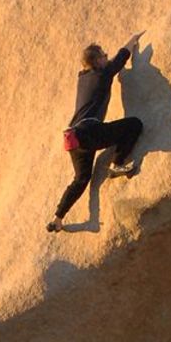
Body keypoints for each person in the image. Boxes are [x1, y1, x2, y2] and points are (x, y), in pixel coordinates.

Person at [47, 33, 144, 232]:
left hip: (73, 137)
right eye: (103, 55)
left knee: (81, 179)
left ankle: (57, 218)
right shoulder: (102, 73)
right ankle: (117, 164)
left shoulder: (83, 78)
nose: (106, 57)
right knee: (134, 124)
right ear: (97, 61)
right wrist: (134, 38)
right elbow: (121, 57)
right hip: (90, 131)